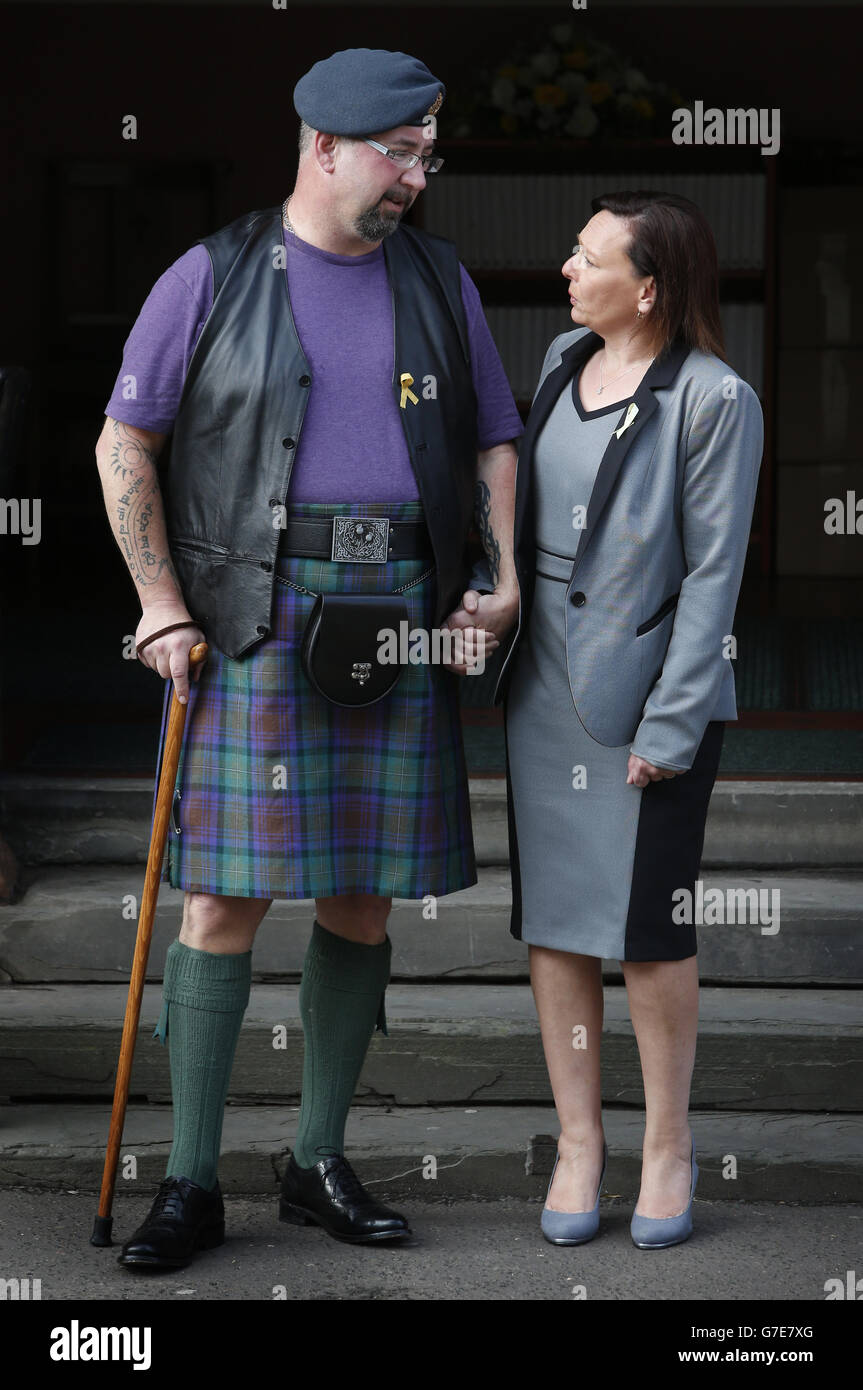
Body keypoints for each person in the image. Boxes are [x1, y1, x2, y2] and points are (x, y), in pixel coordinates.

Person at [94, 47, 522, 1271]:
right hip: (249, 615)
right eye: (399, 155)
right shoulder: (212, 273)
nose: (415, 180)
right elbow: (125, 446)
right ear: (322, 145)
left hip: (396, 600)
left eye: (426, 158)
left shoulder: (438, 280)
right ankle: (187, 1181)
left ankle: (317, 1159)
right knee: (220, 898)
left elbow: (494, 440)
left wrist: (497, 579)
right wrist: (161, 604)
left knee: (362, 894)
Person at [489, 190, 762, 1249]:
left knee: (648, 933)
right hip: (541, 680)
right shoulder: (563, 358)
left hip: (647, 689)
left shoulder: (712, 399)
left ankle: (664, 1146)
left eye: (586, 254)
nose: (565, 267)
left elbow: (713, 579)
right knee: (555, 920)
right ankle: (577, 1142)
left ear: (645, 288)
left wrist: (673, 720)